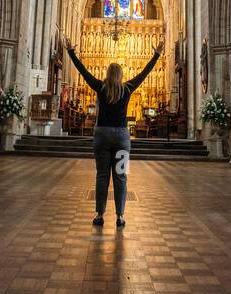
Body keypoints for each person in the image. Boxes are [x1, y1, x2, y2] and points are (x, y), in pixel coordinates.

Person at [65, 35, 162, 228]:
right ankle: (120, 216)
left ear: (107, 74)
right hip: (122, 138)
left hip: (102, 136)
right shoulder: (127, 89)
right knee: (121, 176)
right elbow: (144, 73)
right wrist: (156, 54)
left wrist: (71, 52)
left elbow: (83, 72)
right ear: (121, 75)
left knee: (102, 176)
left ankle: (100, 215)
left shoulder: (100, 87)